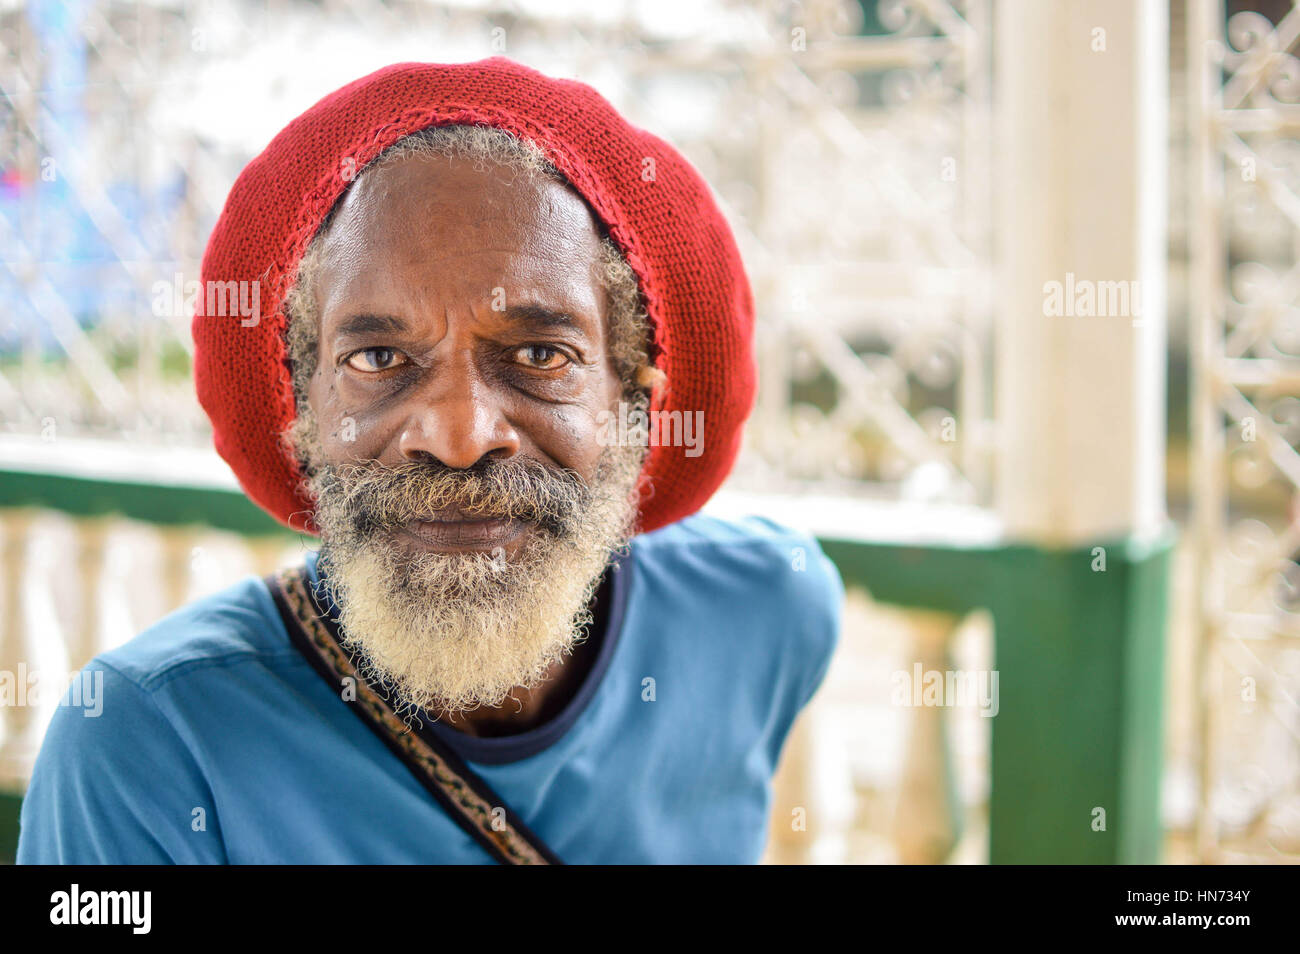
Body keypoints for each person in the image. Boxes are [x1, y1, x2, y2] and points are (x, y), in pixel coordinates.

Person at [17, 58, 842, 864]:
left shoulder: (766, 607)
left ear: (635, 405)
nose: (457, 435)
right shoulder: (147, 744)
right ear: (302, 412)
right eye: (378, 359)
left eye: (540, 354)